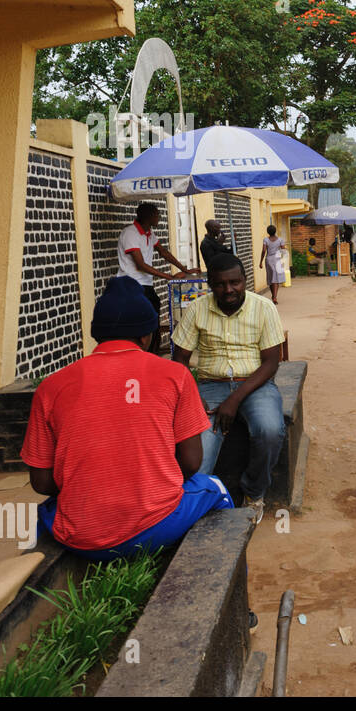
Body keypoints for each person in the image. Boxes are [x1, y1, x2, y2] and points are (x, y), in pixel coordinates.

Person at [21, 276, 232, 560]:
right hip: (155, 526)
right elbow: (191, 463)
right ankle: (231, 595)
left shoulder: (50, 387)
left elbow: (42, 483)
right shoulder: (174, 376)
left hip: (80, 537)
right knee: (216, 489)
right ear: (147, 335)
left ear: (97, 335)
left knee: (48, 511)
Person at [170, 253, 286, 521]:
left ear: (244, 280)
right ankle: (199, 508)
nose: (229, 289)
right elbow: (179, 361)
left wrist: (234, 400)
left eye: (235, 282)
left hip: (256, 384)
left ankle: (254, 494)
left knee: (269, 430)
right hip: (211, 385)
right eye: (221, 284)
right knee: (198, 457)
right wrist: (192, 398)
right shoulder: (197, 309)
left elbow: (271, 363)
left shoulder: (264, 307)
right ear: (210, 283)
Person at [117, 202, 199, 355]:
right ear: (148, 216)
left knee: (153, 318)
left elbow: (163, 252)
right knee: (142, 322)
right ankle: (142, 354)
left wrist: (184, 269)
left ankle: (153, 353)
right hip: (131, 284)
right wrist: (169, 277)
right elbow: (140, 265)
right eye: (156, 214)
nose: (159, 217)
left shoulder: (149, 232)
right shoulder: (130, 233)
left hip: (145, 284)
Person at [262, 225, 287, 304]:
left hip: (269, 260)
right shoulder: (280, 240)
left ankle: (273, 296)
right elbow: (283, 250)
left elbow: (263, 251)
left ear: (268, 232)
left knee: (271, 277)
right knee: (276, 278)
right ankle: (274, 297)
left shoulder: (266, 240)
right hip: (277, 260)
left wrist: (260, 262)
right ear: (275, 231)